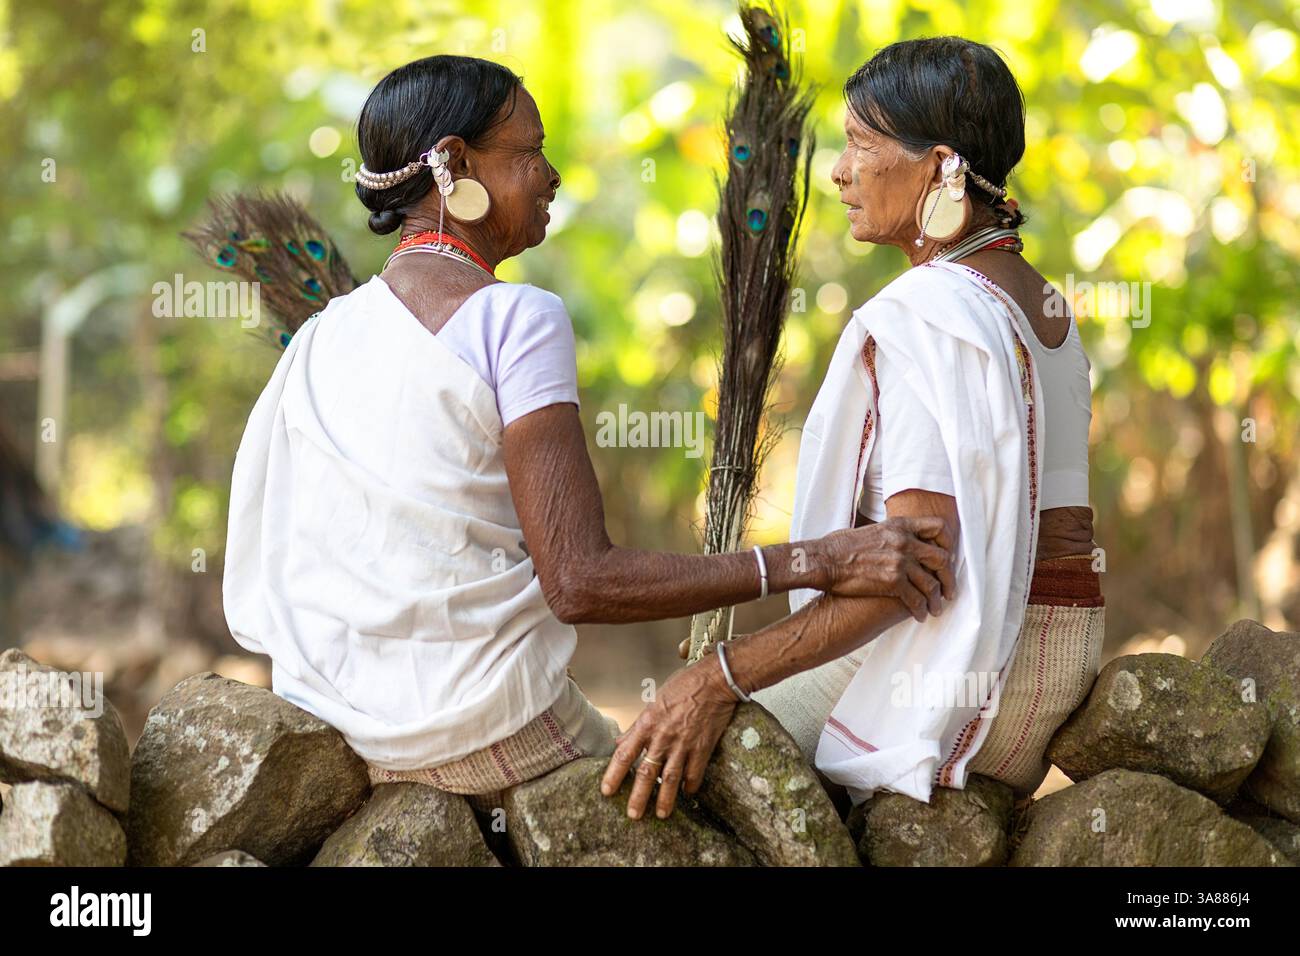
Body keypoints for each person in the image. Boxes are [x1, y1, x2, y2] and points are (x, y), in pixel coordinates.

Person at [222, 54, 953, 811]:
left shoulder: (321, 334)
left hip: (345, 724)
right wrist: (819, 560)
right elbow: (579, 581)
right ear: (452, 164)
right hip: (480, 731)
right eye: (530, 153)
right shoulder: (517, 319)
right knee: (692, 791)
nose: (551, 174)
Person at [604, 36, 1103, 820]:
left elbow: (915, 573)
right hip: (1053, 661)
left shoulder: (931, 313)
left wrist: (721, 673)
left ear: (941, 164)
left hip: (968, 672)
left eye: (860, 145)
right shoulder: (1044, 307)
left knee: (681, 768)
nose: (837, 171)